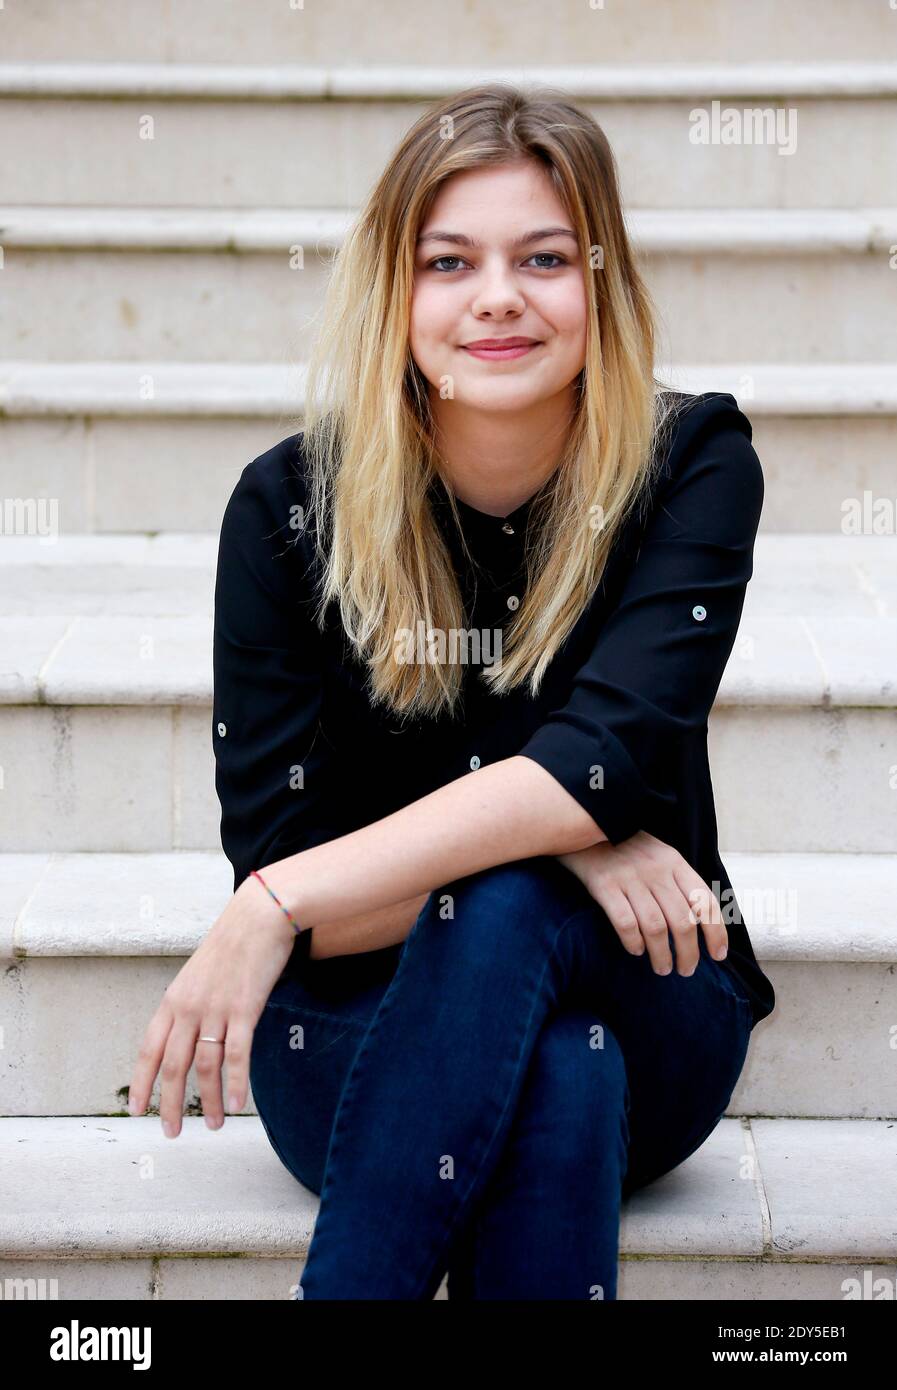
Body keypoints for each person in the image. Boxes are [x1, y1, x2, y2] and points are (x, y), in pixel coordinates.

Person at [127, 83, 776, 1301]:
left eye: (543, 257)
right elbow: (312, 878)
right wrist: (566, 838)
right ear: (395, 287)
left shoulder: (692, 467)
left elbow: (606, 753)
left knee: (520, 924)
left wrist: (270, 905)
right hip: (354, 1037)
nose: (496, 296)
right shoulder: (286, 514)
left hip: (655, 1006)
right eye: (448, 260)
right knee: (559, 1058)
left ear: (605, 281)